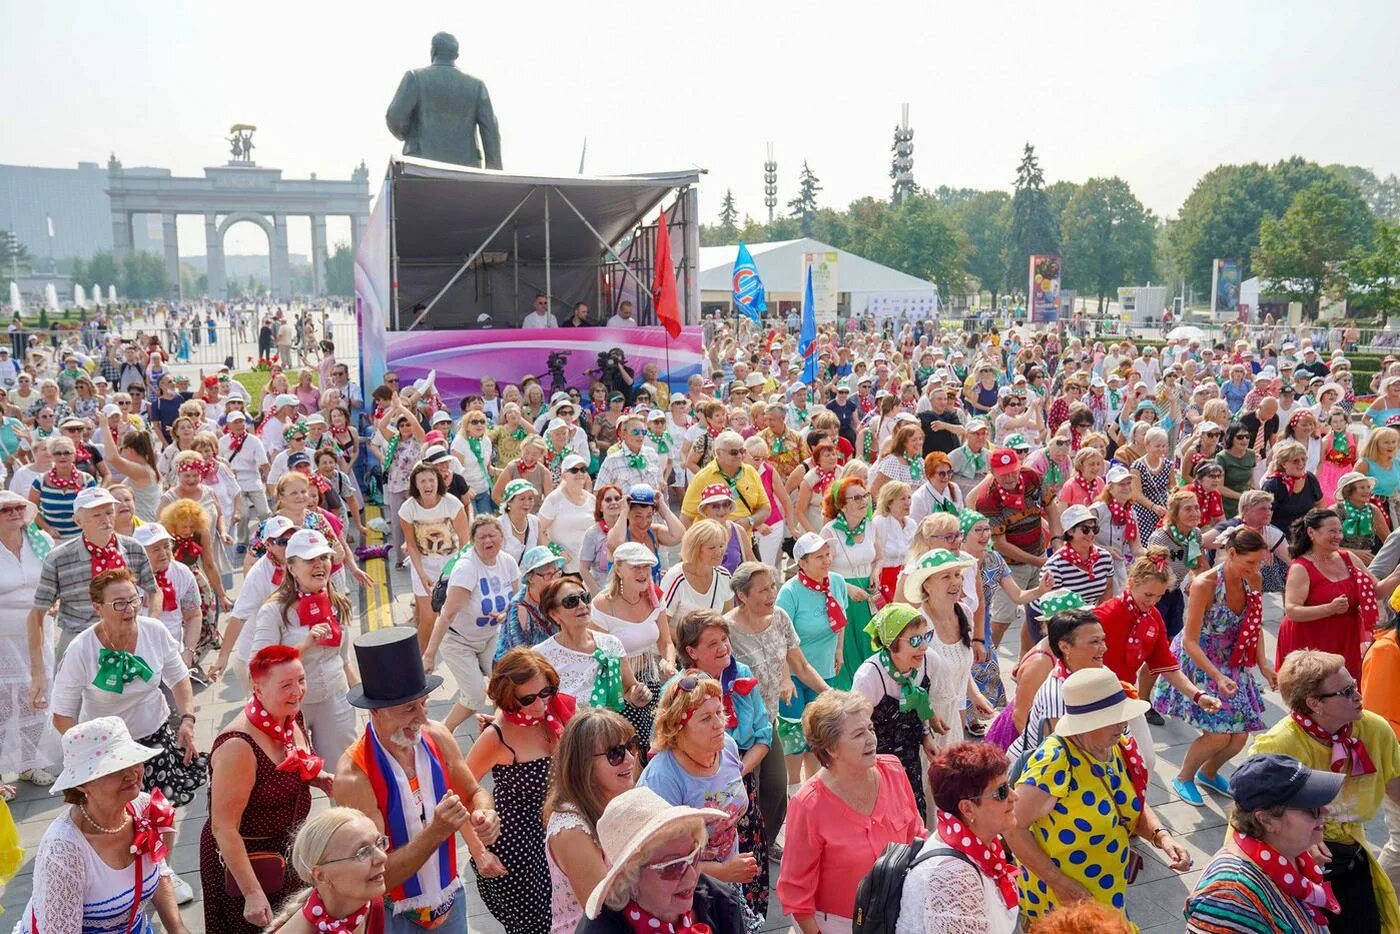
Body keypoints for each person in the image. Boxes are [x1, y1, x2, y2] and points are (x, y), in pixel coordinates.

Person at [334, 627, 501, 933]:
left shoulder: (436, 735)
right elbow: (377, 873)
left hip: (450, 894)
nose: (423, 718)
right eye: (410, 708)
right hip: (393, 913)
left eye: (423, 703)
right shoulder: (354, 776)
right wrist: (437, 832)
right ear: (378, 711)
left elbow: (474, 792)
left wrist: (485, 813)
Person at [1007, 667, 1192, 927]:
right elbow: (1013, 827)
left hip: (1106, 893)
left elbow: (1130, 801)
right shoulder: (1054, 762)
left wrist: (1160, 836)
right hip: (1062, 902)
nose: (1123, 725)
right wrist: (1060, 883)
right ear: (1087, 722)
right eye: (1113, 718)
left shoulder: (1115, 746)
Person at [1250, 649, 1400, 930]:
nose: (1358, 695)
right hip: (1291, 863)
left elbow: (1396, 786)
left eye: (1354, 684)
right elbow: (1250, 819)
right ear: (1314, 704)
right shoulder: (1278, 746)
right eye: (1345, 692)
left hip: (1349, 853)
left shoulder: (1374, 730)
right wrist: (1305, 837)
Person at [49, 567, 207, 806]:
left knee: (160, 812)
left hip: (156, 738)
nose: (131, 609)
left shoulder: (154, 631)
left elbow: (179, 678)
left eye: (134, 600)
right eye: (119, 604)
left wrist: (187, 720)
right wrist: (92, 752)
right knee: (123, 820)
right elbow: (62, 716)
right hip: (108, 752)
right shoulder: (81, 650)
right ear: (97, 607)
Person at [17, 716, 191, 934]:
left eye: (132, 760)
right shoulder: (63, 850)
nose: (131, 774)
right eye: (113, 768)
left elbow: (159, 871)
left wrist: (178, 928)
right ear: (82, 784)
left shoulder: (145, 807)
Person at [202, 645, 330, 932]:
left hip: (287, 854)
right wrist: (252, 892)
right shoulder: (238, 746)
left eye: (301, 680)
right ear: (257, 689)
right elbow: (223, 827)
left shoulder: (290, 714)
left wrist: (322, 779)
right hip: (248, 864)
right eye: (286, 685)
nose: (297, 691)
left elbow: (288, 770)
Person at [776, 690, 924, 933]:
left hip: (900, 914)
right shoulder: (808, 805)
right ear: (832, 748)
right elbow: (796, 894)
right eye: (858, 734)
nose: (871, 739)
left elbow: (917, 835)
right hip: (838, 926)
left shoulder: (894, 771)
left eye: (871, 729)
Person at [1152, 527, 1273, 806]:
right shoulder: (1205, 583)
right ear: (1231, 553)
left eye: (1259, 562)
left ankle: (1209, 772)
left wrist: (1264, 665)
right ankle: (1184, 777)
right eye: (1250, 562)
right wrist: (1216, 676)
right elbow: (1190, 642)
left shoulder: (1253, 580)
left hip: (1232, 660)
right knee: (1218, 734)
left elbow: (1253, 625)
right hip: (1202, 660)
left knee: (1240, 735)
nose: (1255, 569)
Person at [666, 610, 773, 920]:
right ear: (691, 652)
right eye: (712, 642)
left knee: (748, 867)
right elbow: (666, 743)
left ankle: (749, 921)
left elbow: (764, 735)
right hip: (704, 796)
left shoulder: (744, 673)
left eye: (724, 639)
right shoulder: (677, 691)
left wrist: (733, 771)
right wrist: (718, 775)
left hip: (740, 779)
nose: (723, 647)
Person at [1183, 753, 1345, 934]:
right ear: (1267, 820)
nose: (1326, 809)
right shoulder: (1232, 897)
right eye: (1311, 807)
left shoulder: (1289, 855)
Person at [464, 648, 567, 934]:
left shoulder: (554, 715)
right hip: (519, 851)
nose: (540, 703)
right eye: (528, 698)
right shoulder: (496, 736)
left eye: (546, 691)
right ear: (510, 697)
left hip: (559, 837)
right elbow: (457, 791)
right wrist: (479, 851)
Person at [578, 786, 742, 932]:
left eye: (694, 856)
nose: (692, 876)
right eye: (672, 866)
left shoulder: (722, 906)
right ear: (630, 878)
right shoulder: (600, 930)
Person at [896, 742, 1020, 934]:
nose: (1014, 796)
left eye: (1009, 785)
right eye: (1002, 791)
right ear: (967, 808)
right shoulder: (952, 877)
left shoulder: (976, 846)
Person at [542, 708, 639, 933]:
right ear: (583, 765)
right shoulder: (572, 830)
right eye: (615, 753)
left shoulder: (617, 800)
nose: (630, 758)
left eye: (630, 746)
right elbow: (604, 913)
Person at [423, 515, 521, 731]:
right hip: (458, 640)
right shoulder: (466, 568)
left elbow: (517, 601)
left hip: (491, 636)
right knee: (475, 696)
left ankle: (499, 735)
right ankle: (441, 734)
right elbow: (446, 615)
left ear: (502, 537)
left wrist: (508, 616)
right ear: (472, 541)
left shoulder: (508, 562)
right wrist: (429, 655)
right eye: (482, 537)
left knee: (504, 684)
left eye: (492, 535)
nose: (488, 541)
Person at [1280, 508, 1400, 679]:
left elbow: (1376, 592)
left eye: (1340, 531)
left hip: (1346, 637)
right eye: (1332, 531)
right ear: (1311, 532)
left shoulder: (1348, 557)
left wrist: (1396, 576)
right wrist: (1329, 608)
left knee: (1349, 690)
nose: (1338, 536)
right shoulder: (1301, 568)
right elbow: (1291, 610)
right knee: (1318, 693)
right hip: (1312, 642)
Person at [851, 603, 947, 814]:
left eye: (926, 637)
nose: (924, 647)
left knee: (914, 813)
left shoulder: (930, 662)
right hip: (876, 763)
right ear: (892, 643)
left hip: (910, 759)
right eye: (914, 640)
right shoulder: (869, 677)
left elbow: (921, 703)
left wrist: (925, 736)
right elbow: (856, 729)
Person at [778, 533, 851, 781]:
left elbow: (841, 620)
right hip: (795, 674)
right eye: (818, 557)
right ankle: (793, 787)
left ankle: (814, 785)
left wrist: (839, 650)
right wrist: (785, 677)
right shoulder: (790, 593)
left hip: (825, 669)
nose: (826, 561)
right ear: (802, 562)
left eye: (827, 554)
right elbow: (779, 638)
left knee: (817, 736)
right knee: (793, 736)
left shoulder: (837, 582)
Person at [906, 548, 993, 750]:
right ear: (926, 584)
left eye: (957, 575)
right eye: (946, 576)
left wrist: (975, 695)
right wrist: (928, 722)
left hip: (953, 719)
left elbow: (958, 664)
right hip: (926, 724)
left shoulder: (964, 612)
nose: (955, 582)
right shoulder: (918, 625)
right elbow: (907, 683)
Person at [0, 489, 55, 792]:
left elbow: (52, 580)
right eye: (5, 510)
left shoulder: (40, 542)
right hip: (2, 640)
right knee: (2, 706)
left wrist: (55, 600)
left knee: (35, 699)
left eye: (17, 507)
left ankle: (29, 763)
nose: (12, 513)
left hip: (38, 633)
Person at [534, 575, 651, 712]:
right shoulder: (541, 656)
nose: (582, 605)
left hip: (609, 727)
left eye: (585, 598)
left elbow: (629, 688)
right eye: (571, 601)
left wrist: (638, 695)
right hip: (567, 730)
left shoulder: (611, 643)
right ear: (554, 614)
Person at [265, 807, 389, 933]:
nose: (383, 857)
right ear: (321, 876)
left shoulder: (371, 903)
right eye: (363, 852)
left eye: (379, 843)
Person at [397, 460, 468, 642]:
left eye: (431, 480)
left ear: (438, 481)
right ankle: (421, 662)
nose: (428, 485)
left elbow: (464, 540)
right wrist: (421, 573)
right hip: (424, 564)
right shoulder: (407, 509)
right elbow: (411, 545)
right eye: (423, 481)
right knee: (428, 618)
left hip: (451, 563)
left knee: (455, 617)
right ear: (415, 485)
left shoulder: (453, 504)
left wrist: (457, 569)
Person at [821, 477, 880, 692]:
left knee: (869, 645)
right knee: (846, 650)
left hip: (868, 596)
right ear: (842, 505)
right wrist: (848, 588)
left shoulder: (872, 527)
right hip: (841, 594)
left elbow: (878, 557)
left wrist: (875, 573)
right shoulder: (829, 532)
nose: (863, 501)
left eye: (865, 495)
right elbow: (820, 571)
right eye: (856, 497)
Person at [29, 434, 97, 539]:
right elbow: (31, 508)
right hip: (53, 540)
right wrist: (47, 528)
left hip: (82, 538)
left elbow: (96, 509)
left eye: (67, 452)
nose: (62, 456)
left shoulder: (87, 481)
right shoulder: (41, 481)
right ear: (51, 456)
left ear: (74, 456)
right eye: (57, 453)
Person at [1262, 440, 1324, 540]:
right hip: (1280, 539)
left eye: (1303, 459)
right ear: (1283, 464)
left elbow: (1320, 504)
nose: (1301, 464)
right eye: (1295, 461)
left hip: (1306, 536)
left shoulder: (1310, 478)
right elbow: (1265, 520)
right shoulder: (1273, 485)